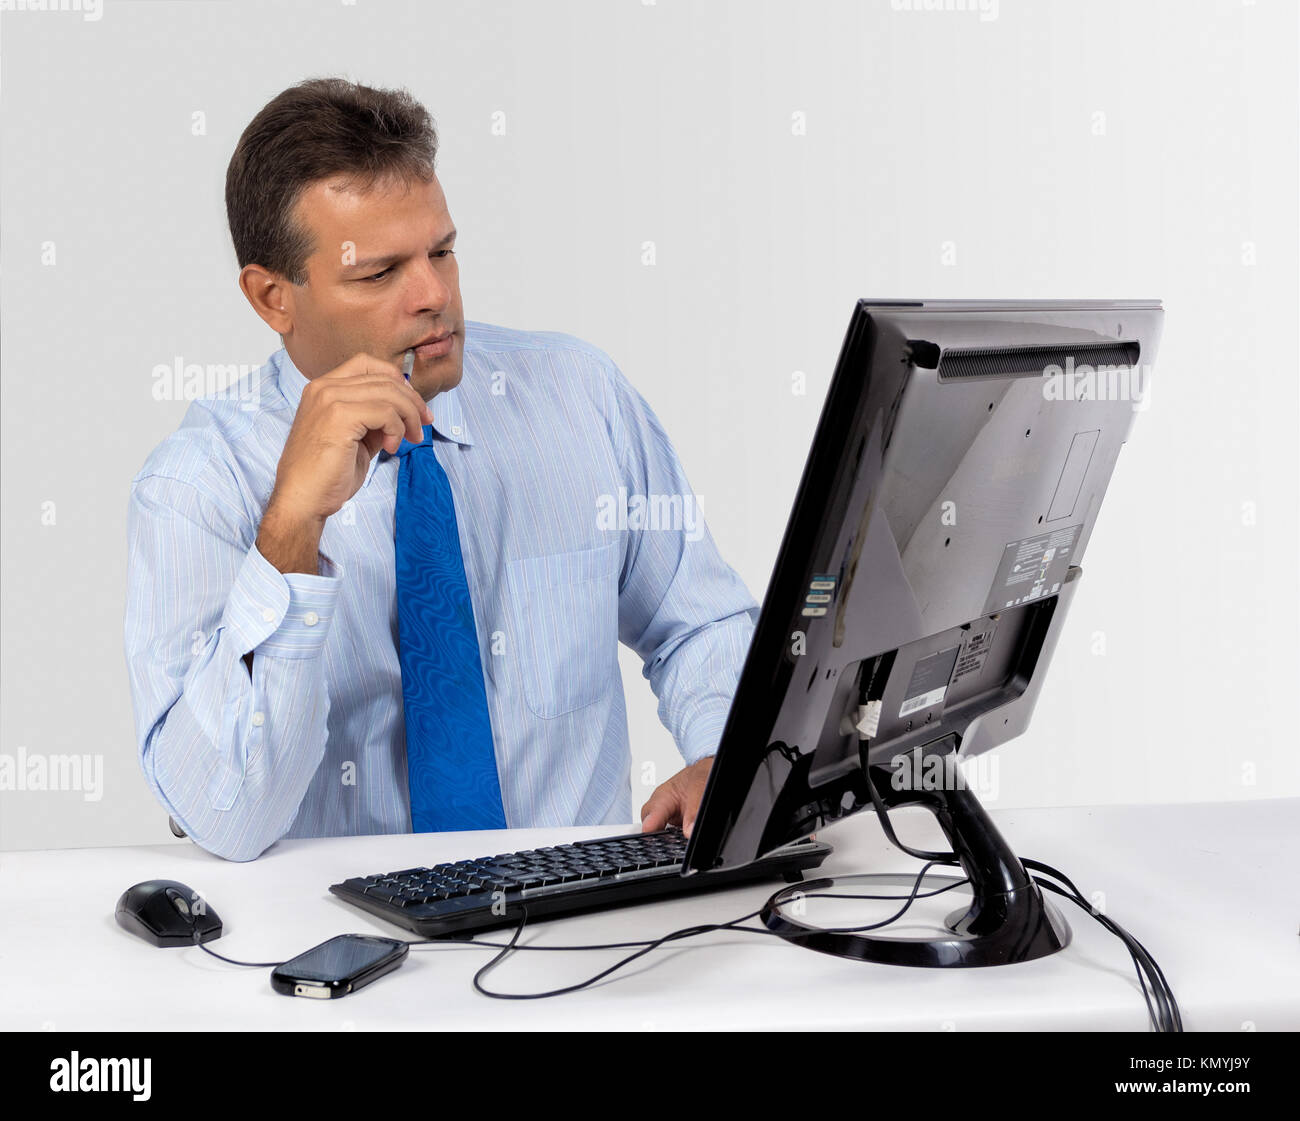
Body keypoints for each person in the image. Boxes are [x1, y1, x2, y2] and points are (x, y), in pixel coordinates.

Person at [123, 78, 758, 862]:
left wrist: (727, 757)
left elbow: (700, 622)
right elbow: (231, 819)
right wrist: (290, 529)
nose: (434, 294)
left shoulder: (579, 396)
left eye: (443, 252)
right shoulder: (195, 489)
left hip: (583, 931)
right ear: (272, 297)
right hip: (339, 950)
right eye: (379, 272)